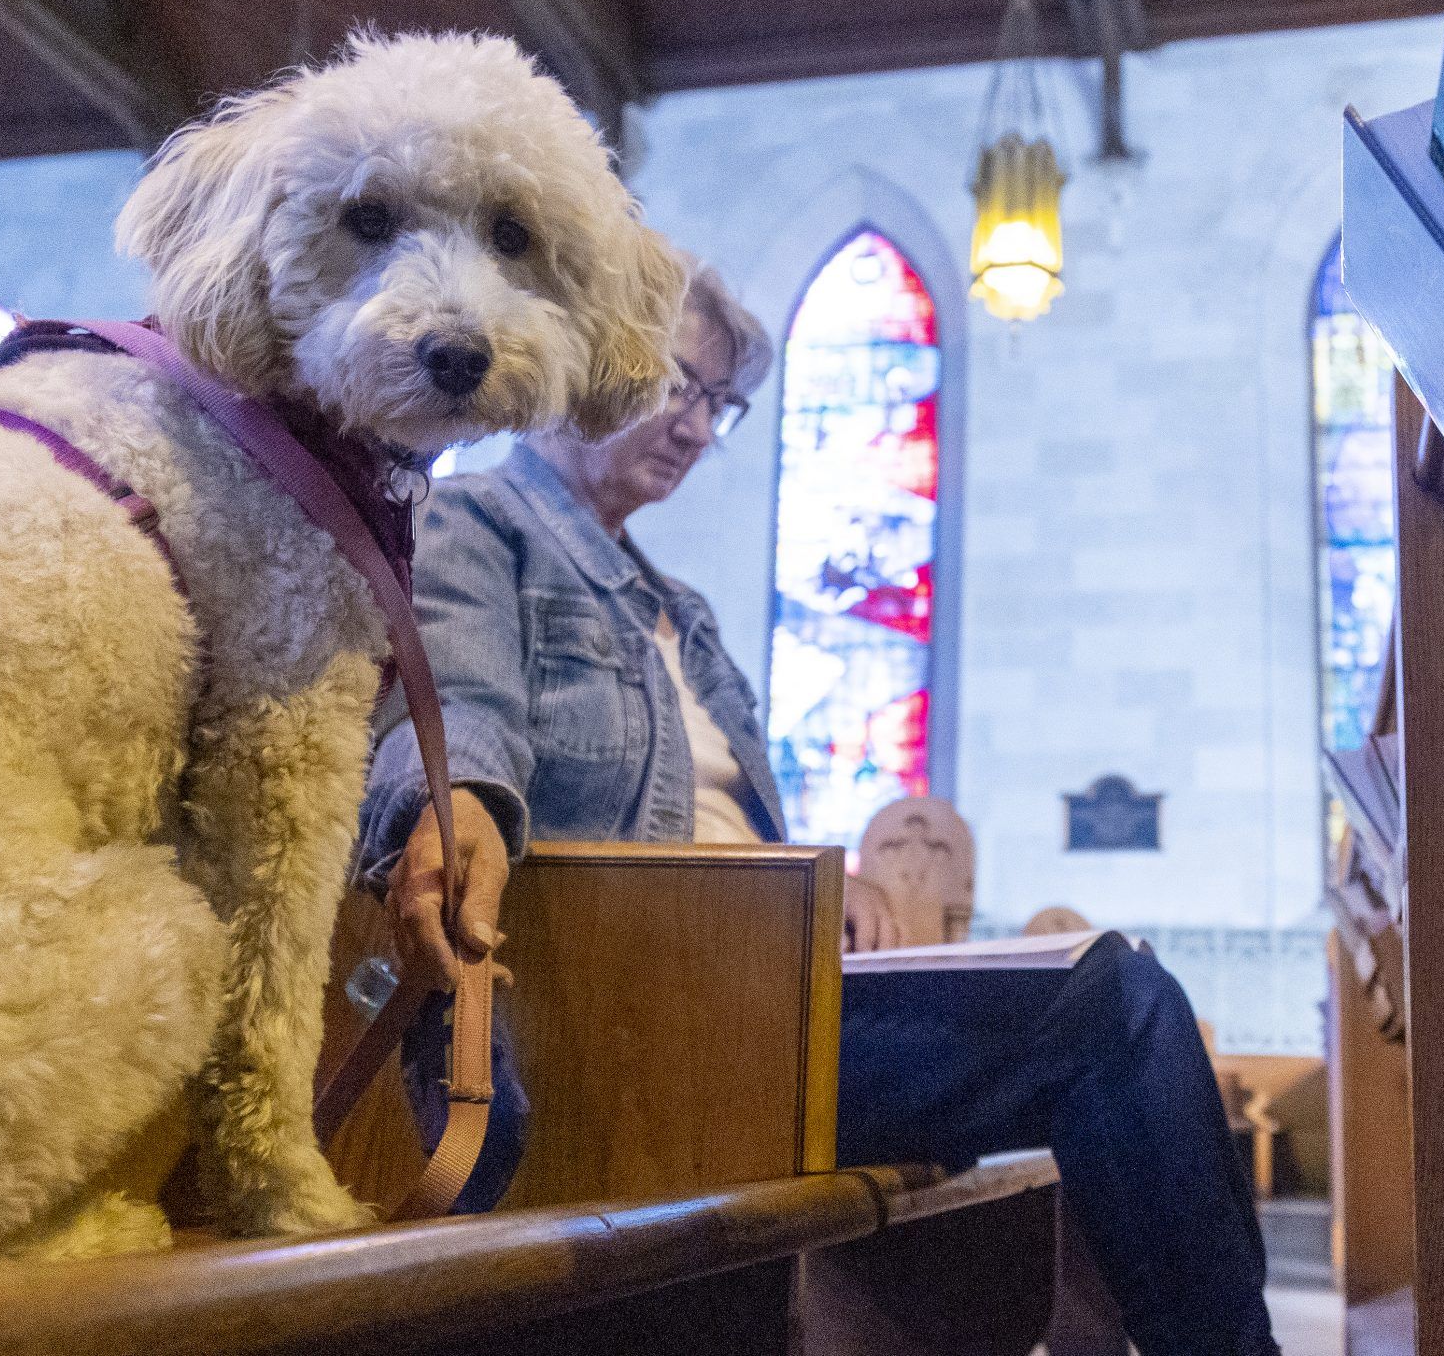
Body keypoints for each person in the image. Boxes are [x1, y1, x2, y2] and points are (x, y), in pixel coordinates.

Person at [357, 263, 1278, 1356]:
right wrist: (456, 806)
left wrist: (830, 881)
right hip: (626, 1018)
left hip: (754, 993)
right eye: (679, 385)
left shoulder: (677, 609)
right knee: (1115, 1009)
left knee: (1121, 983)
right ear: (586, 359)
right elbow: (457, 710)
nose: (698, 427)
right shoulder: (476, 523)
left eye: (718, 403)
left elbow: (722, 818)